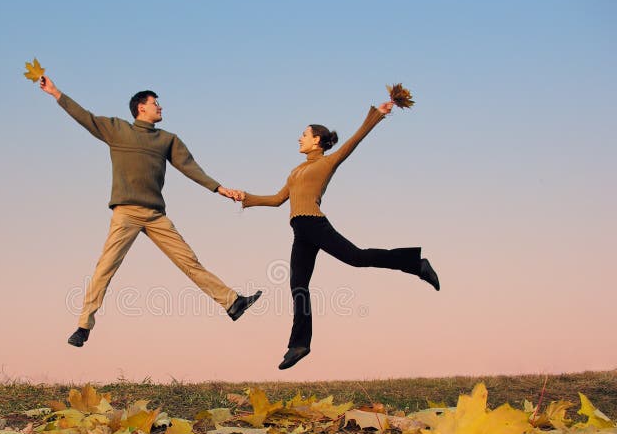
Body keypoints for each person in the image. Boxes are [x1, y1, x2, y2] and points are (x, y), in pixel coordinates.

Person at [38, 76, 262, 347]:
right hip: (126, 213)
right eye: (156, 103)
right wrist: (55, 92)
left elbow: (191, 168)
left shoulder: (167, 140)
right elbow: (84, 117)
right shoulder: (116, 129)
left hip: (156, 215)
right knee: (105, 268)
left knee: (189, 261)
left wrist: (219, 188)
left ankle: (232, 303)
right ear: (141, 108)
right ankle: (84, 326)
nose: (161, 108)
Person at [238, 99, 440, 370]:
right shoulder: (295, 171)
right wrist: (245, 197)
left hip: (315, 224)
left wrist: (376, 115)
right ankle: (300, 344)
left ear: (317, 140)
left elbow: (353, 142)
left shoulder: (327, 162)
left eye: (304, 135)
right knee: (298, 285)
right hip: (301, 231)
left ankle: (416, 264)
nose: (299, 138)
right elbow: (277, 200)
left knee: (357, 258)